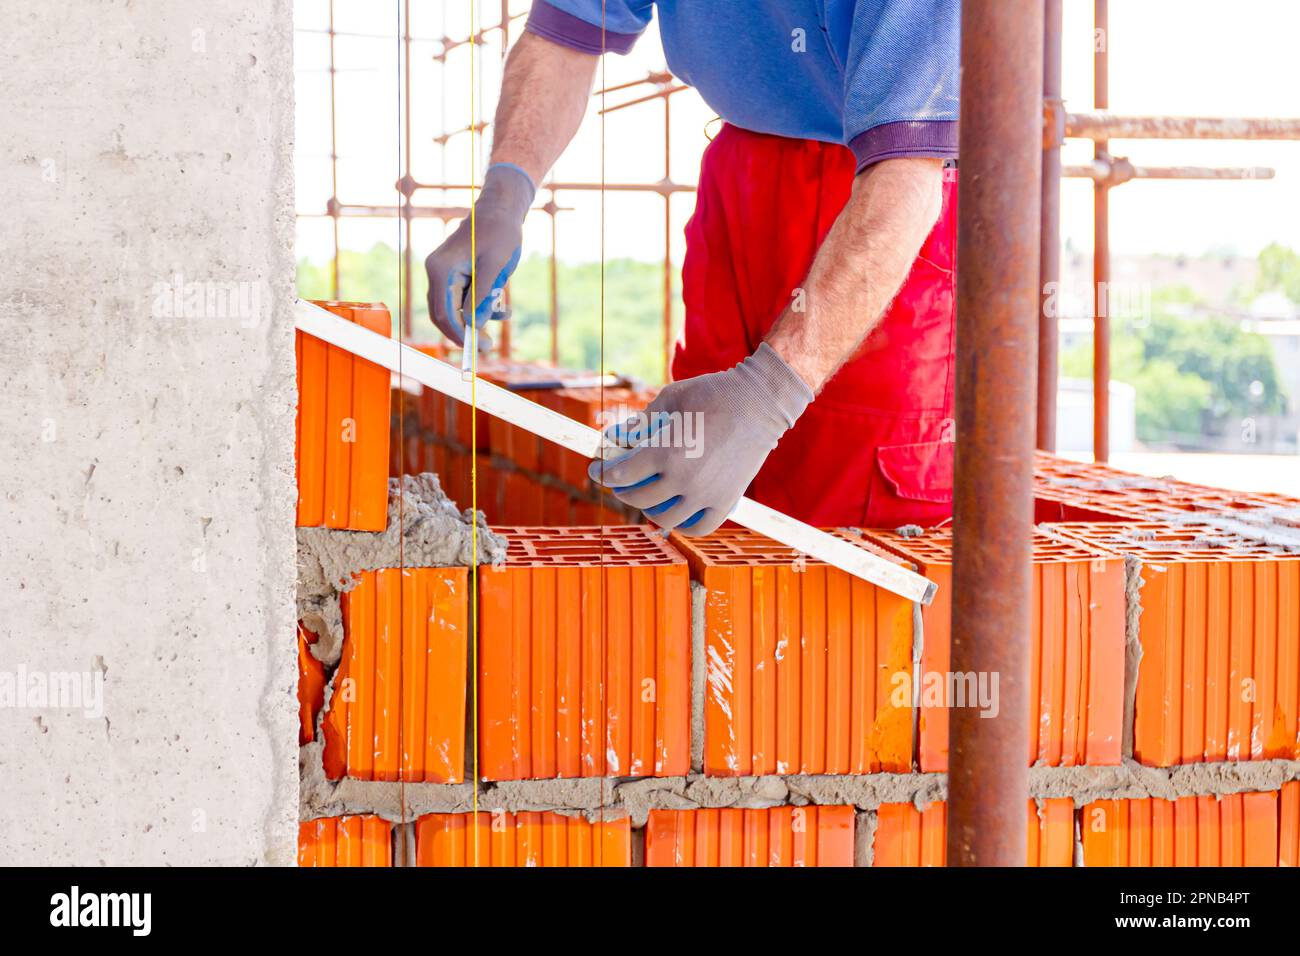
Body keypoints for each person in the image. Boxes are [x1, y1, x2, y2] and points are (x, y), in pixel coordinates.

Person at [425, 0, 959, 536]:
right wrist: (503, 194)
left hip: (883, 196)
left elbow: (905, 172)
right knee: (701, 488)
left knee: (853, 525)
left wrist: (771, 389)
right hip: (741, 171)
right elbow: (566, 33)